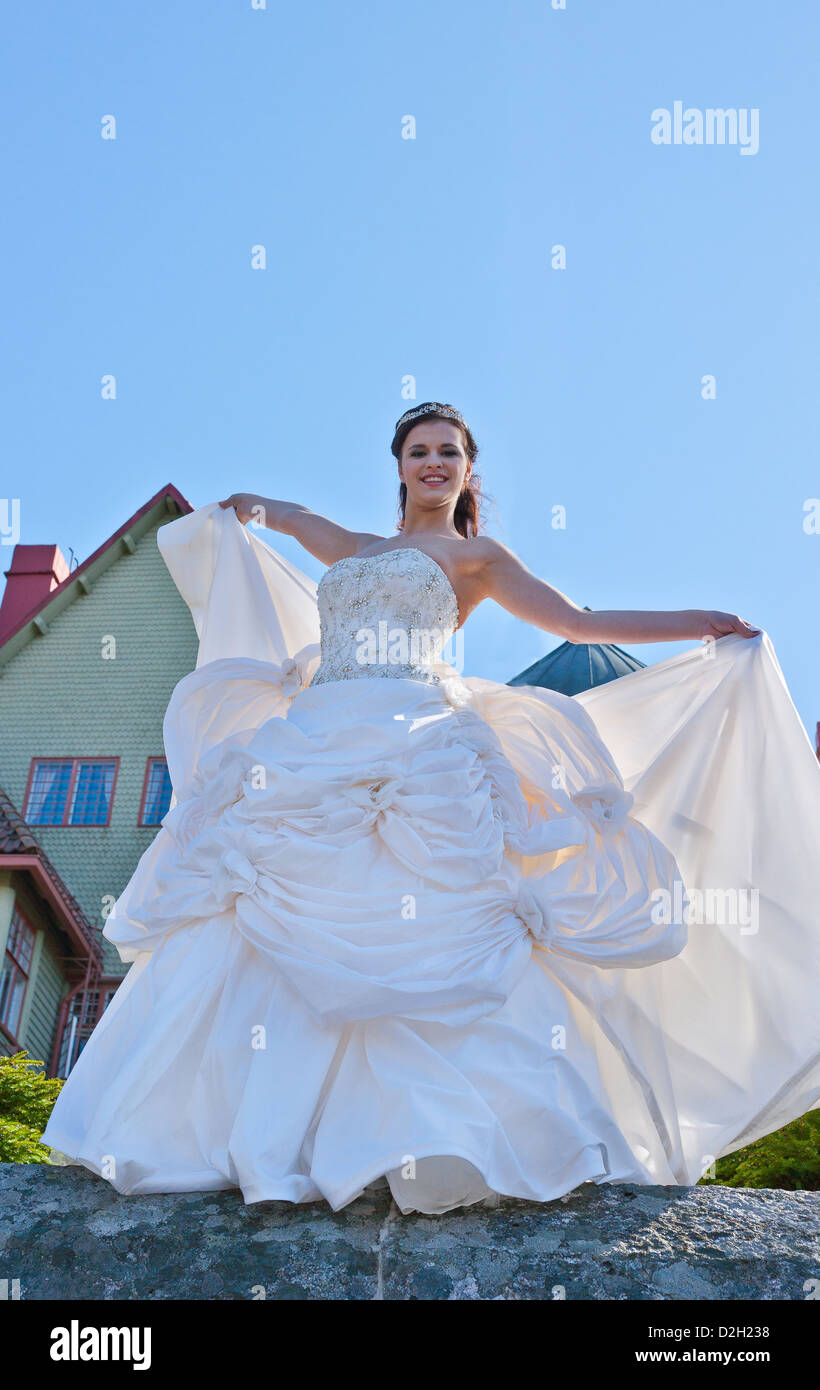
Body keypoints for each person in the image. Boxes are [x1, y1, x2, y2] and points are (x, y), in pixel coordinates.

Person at [41, 402, 820, 1215]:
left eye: (450, 452)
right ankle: (245, 1138)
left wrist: (699, 622)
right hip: (315, 737)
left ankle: (439, 1139)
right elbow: (295, 518)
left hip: (417, 746)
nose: (435, 463)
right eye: (420, 452)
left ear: (468, 470)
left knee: (430, 918)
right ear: (401, 467)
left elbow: (577, 622)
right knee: (254, 909)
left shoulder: (477, 557)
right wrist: (244, 509)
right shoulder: (358, 549)